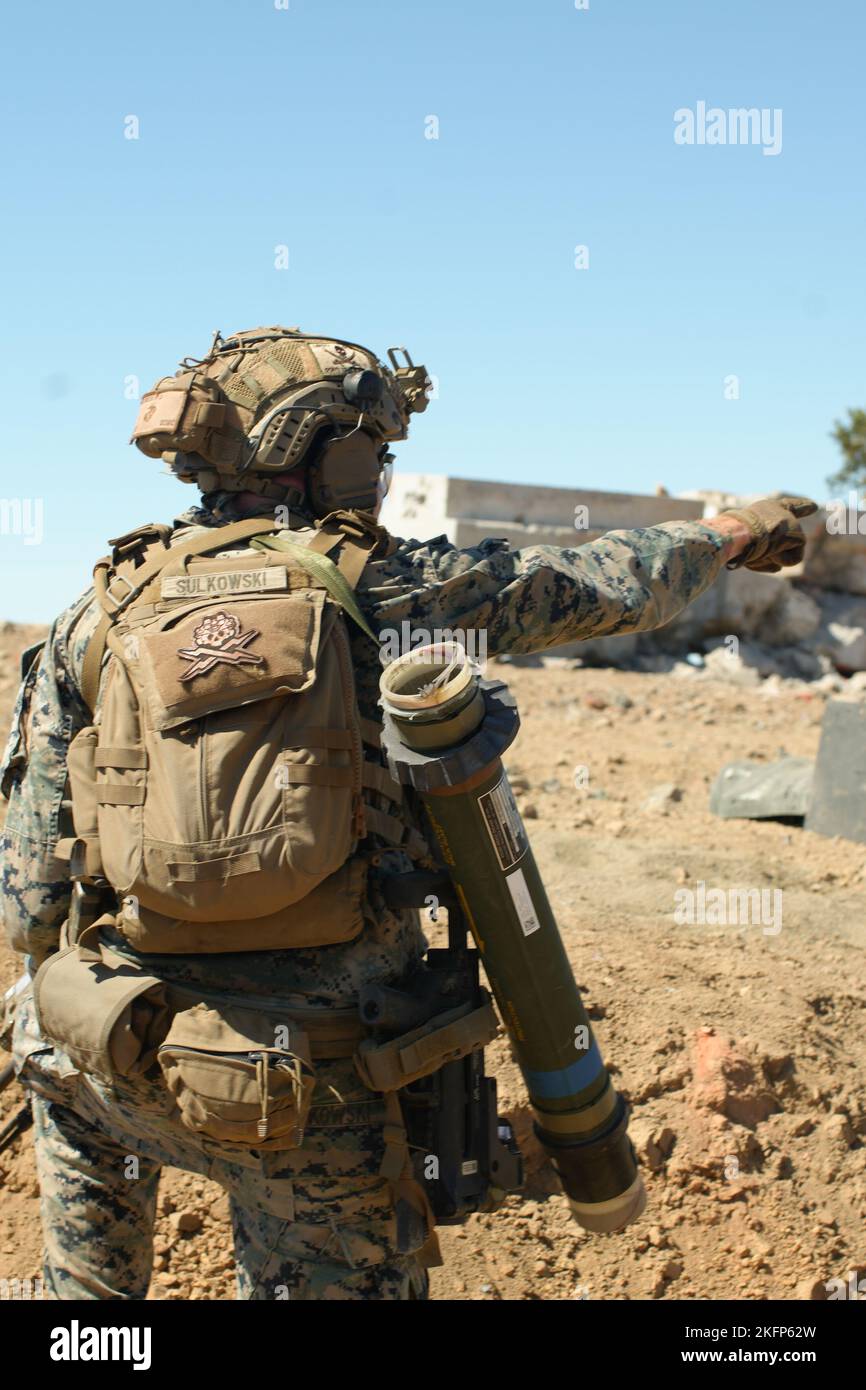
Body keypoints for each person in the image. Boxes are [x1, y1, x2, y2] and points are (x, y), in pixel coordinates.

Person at [0, 324, 815, 1301]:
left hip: (105, 1053)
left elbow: (29, 905)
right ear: (332, 455)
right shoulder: (396, 592)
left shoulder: (94, 615)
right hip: (304, 1104)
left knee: (82, 1313)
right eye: (375, 453)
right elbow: (611, 580)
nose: (381, 474)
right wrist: (736, 529)